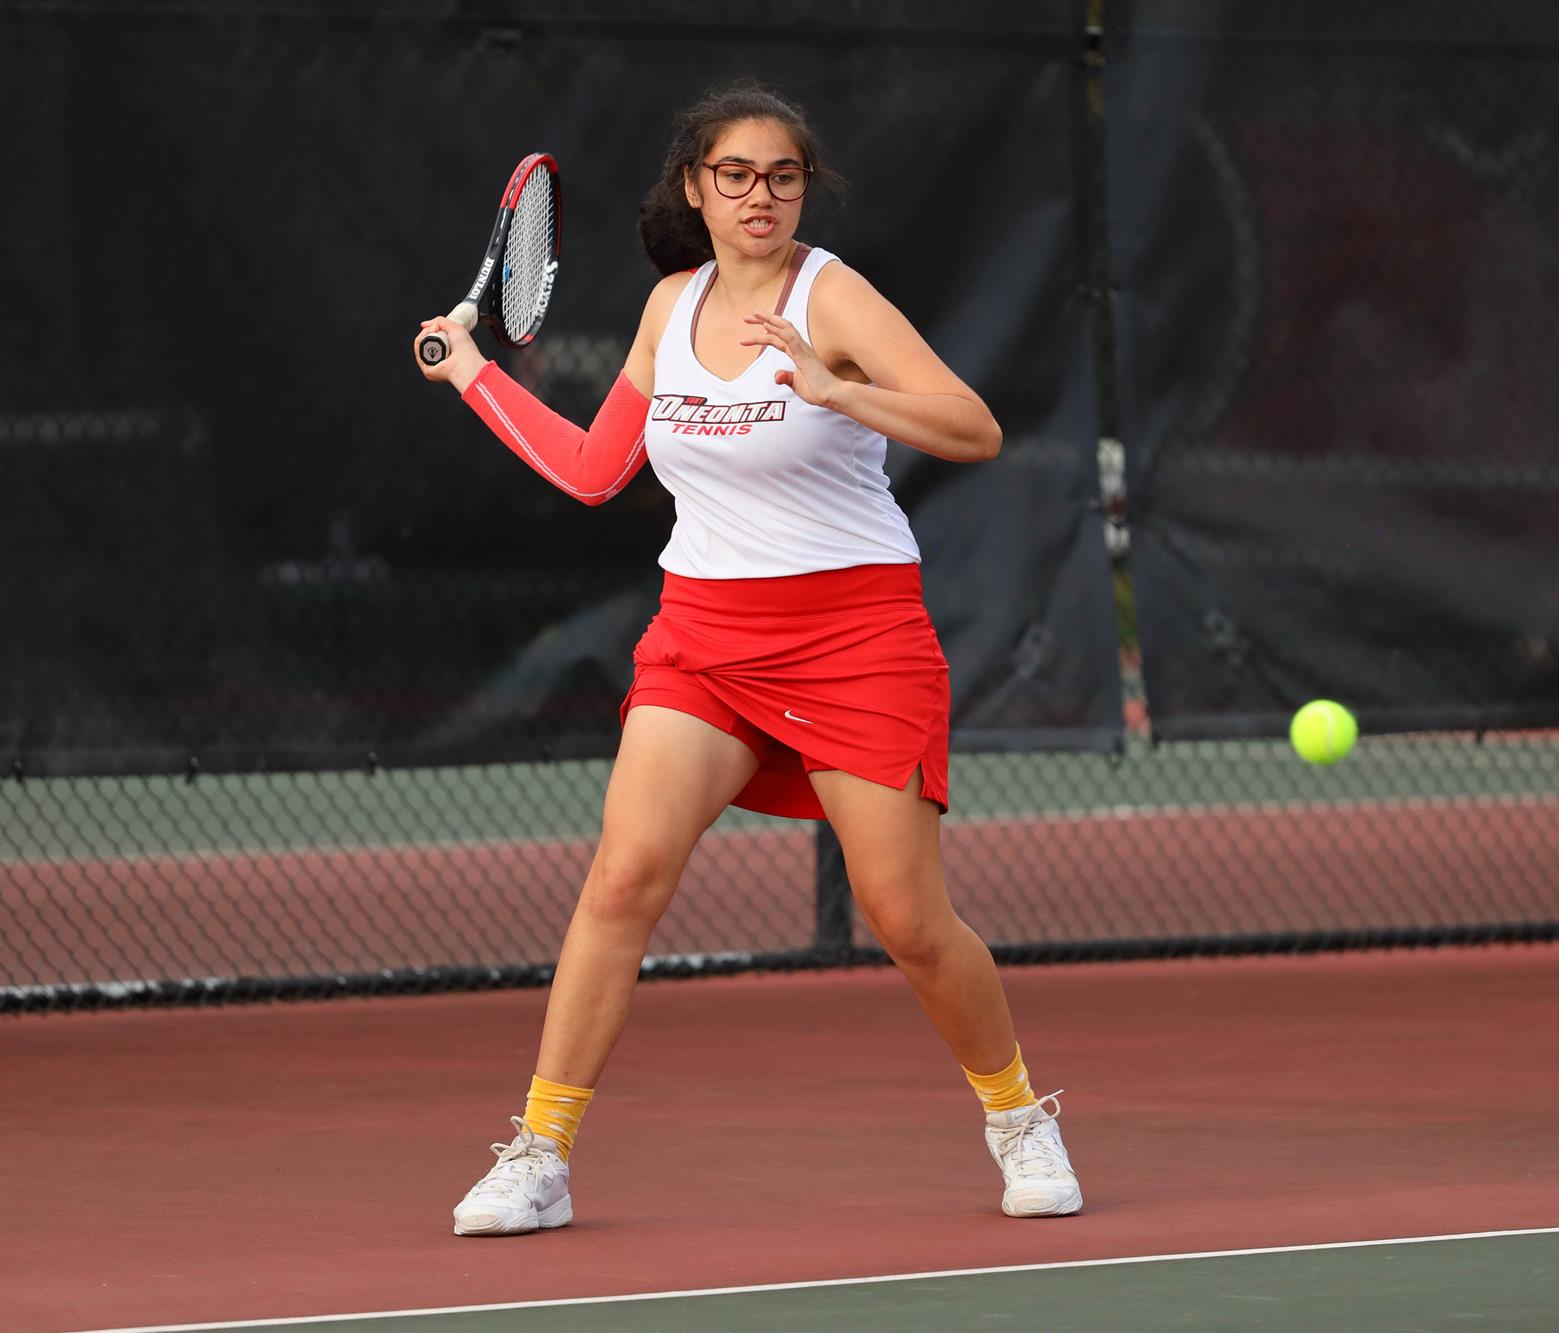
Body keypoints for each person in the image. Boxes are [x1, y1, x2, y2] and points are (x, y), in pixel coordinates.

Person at [412, 82, 1081, 1235]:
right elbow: (592, 471)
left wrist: (839, 387)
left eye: (780, 175)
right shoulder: (669, 306)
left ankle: (1018, 1115)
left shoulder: (838, 297)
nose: (759, 195)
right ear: (695, 188)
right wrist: (474, 373)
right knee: (620, 881)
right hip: (703, 641)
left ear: (800, 187)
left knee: (908, 922)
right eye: (734, 175)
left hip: (855, 638)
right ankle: (541, 1151)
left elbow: (974, 426)